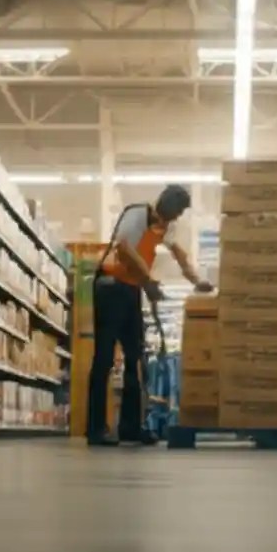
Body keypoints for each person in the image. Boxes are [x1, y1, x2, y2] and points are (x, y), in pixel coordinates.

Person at [87, 184, 212, 446]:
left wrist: (196, 280)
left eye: (178, 214)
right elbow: (124, 249)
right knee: (104, 359)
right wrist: (148, 280)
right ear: (164, 203)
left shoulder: (164, 226)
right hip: (109, 287)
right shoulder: (136, 215)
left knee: (137, 359)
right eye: (175, 210)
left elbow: (179, 254)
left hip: (131, 289)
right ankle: (96, 428)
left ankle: (131, 428)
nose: (175, 217)